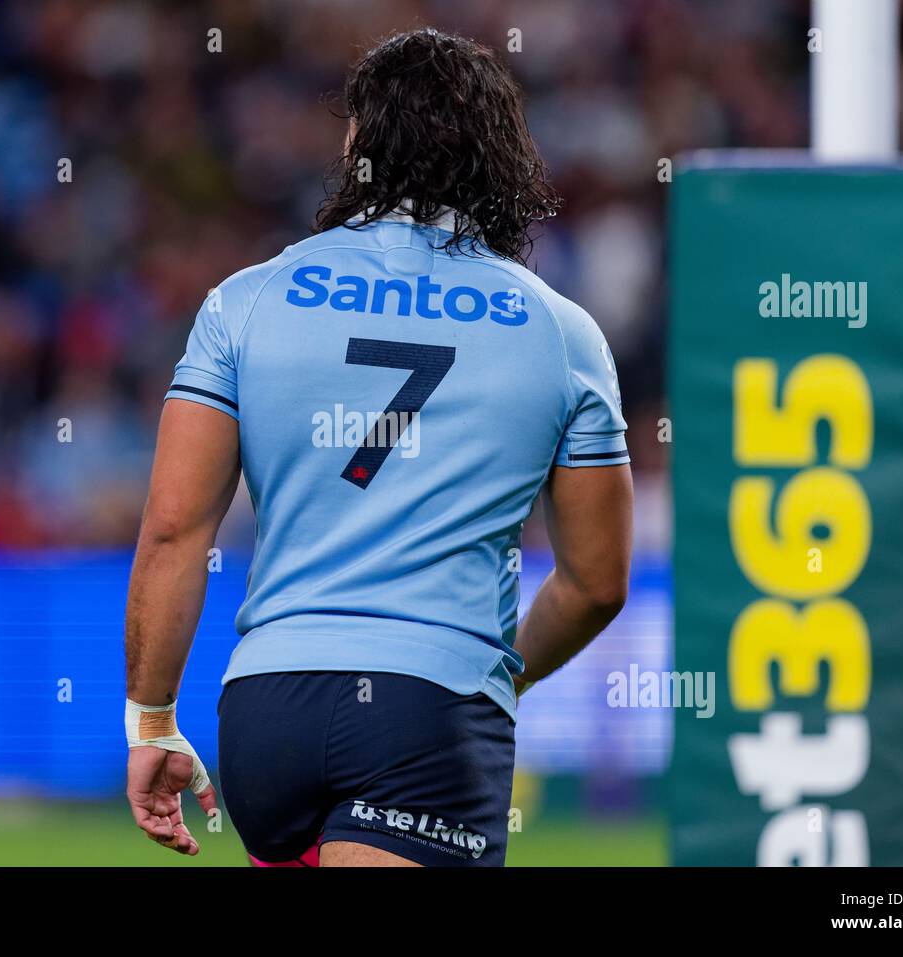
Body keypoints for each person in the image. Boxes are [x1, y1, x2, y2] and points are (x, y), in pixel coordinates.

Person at [124, 27, 632, 867]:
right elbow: (595, 583)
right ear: (499, 152)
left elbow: (175, 529)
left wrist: (150, 720)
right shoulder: (560, 332)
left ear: (357, 144)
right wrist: (503, 671)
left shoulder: (246, 302)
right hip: (430, 710)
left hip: (265, 709)